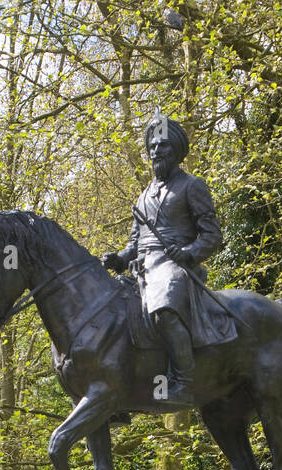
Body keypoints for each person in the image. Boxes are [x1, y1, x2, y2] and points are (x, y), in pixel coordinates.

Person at [102, 114, 231, 406]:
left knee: (164, 307)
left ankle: (184, 381)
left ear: (174, 150)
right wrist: (119, 258)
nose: (155, 151)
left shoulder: (191, 186)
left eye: (162, 146)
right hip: (142, 268)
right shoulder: (144, 195)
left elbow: (213, 235)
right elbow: (134, 243)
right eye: (152, 147)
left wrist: (189, 253)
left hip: (174, 266)